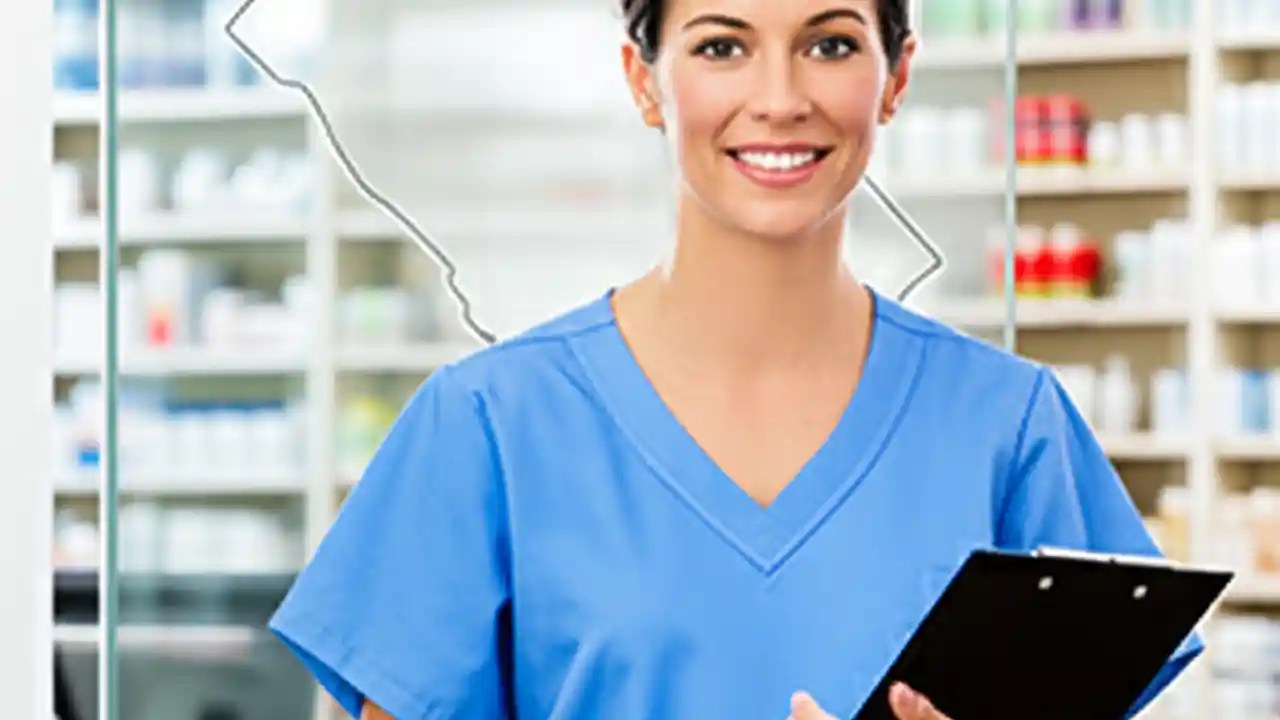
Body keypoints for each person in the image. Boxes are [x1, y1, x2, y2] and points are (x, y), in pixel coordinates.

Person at [268, 0, 1203, 718]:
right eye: (722, 46)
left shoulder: (1008, 426)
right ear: (644, 80)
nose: (781, 99)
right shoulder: (489, 427)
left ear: (896, 78)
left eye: (830, 44)